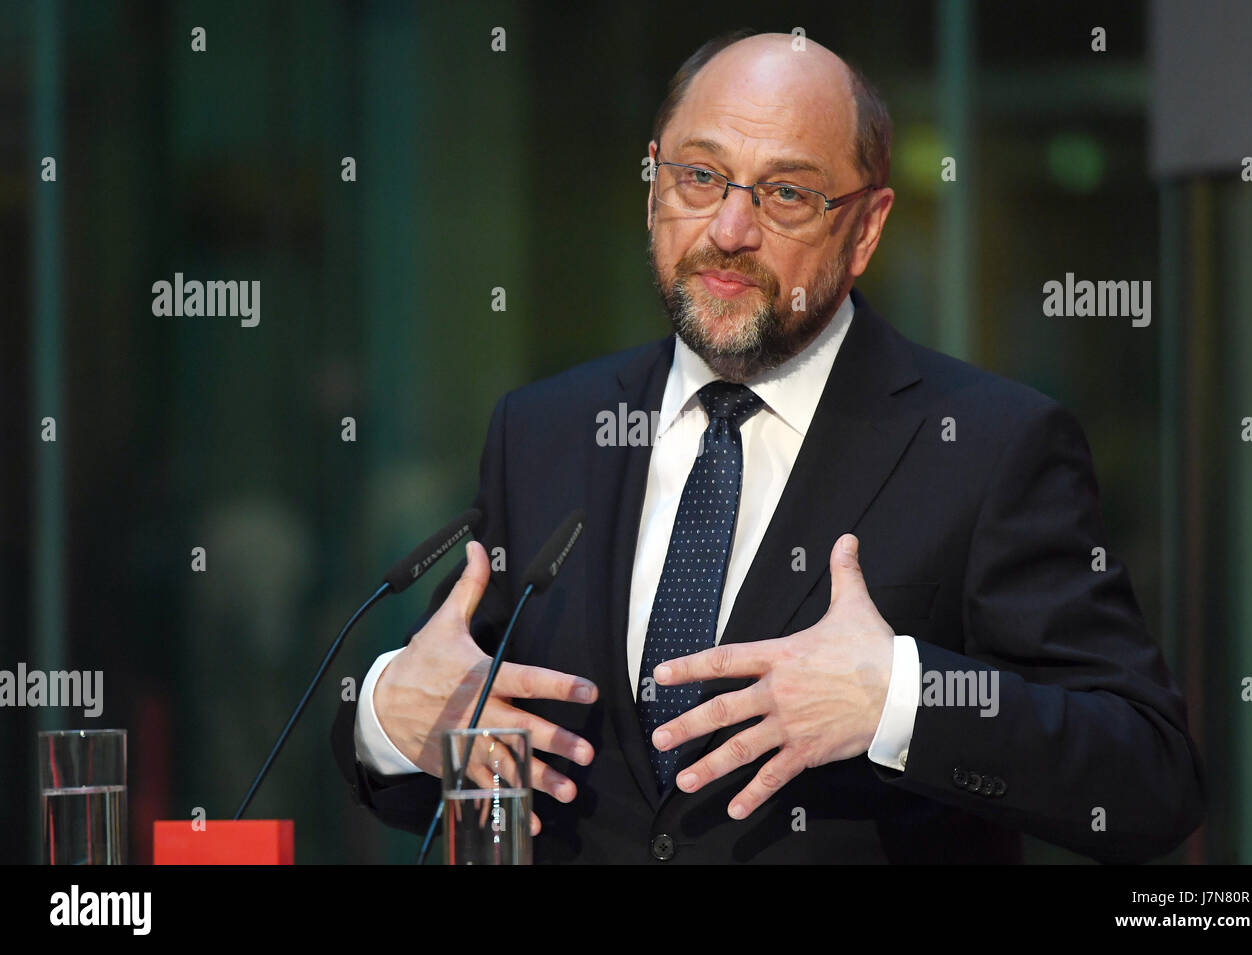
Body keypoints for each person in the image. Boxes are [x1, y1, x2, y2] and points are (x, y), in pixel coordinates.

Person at [330, 29, 1205, 863]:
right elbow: (467, 741)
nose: (728, 230)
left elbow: (1149, 780)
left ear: (864, 230)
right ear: (651, 189)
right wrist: (383, 718)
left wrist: (901, 697)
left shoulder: (989, 444)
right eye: (700, 176)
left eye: (786, 193)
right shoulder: (545, 428)